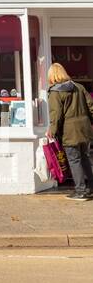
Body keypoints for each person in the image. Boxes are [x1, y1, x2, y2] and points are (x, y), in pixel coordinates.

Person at [47, 62, 93, 201]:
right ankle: (90, 188)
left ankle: (80, 191)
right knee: (85, 158)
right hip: (84, 129)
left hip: (69, 131)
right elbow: (91, 106)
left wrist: (52, 131)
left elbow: (56, 115)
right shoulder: (79, 87)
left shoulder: (55, 92)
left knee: (74, 160)